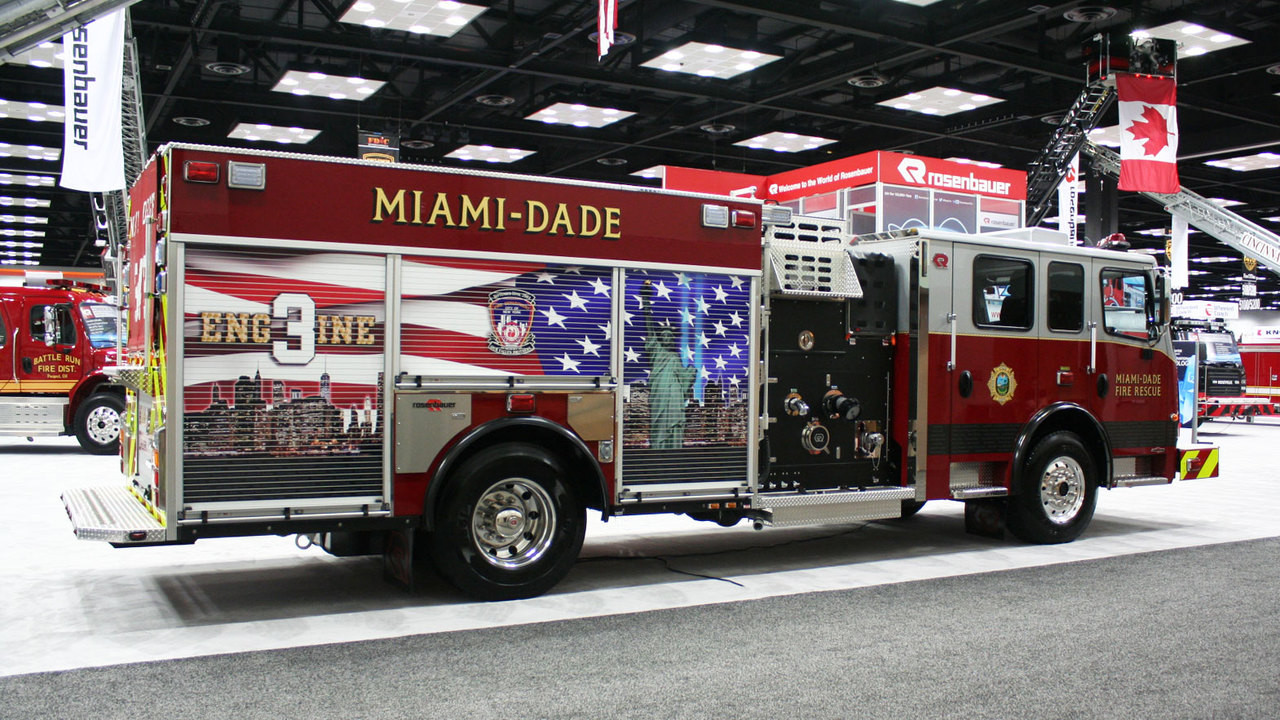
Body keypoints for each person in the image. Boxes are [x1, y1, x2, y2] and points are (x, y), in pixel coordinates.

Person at [642, 280, 696, 450]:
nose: (667, 337)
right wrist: (645, 302)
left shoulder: (675, 356)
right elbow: (650, 327)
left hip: (674, 396)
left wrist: (690, 372)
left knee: (675, 423)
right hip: (660, 392)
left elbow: (684, 379)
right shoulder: (657, 351)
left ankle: (674, 451)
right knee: (659, 422)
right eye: (664, 335)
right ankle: (658, 449)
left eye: (670, 336)